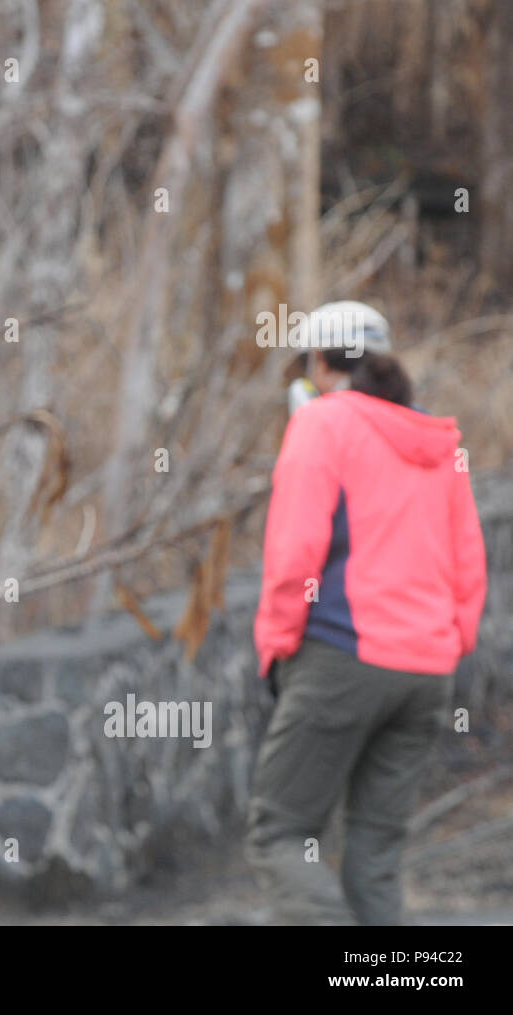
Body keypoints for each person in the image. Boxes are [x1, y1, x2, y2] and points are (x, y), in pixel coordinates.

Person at [247, 301, 487, 925]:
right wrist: (450, 642)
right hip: (426, 671)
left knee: (279, 833)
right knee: (374, 855)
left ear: (319, 364)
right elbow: (468, 558)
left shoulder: (322, 426)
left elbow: (295, 551)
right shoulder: (437, 440)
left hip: (342, 656)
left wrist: (275, 644)